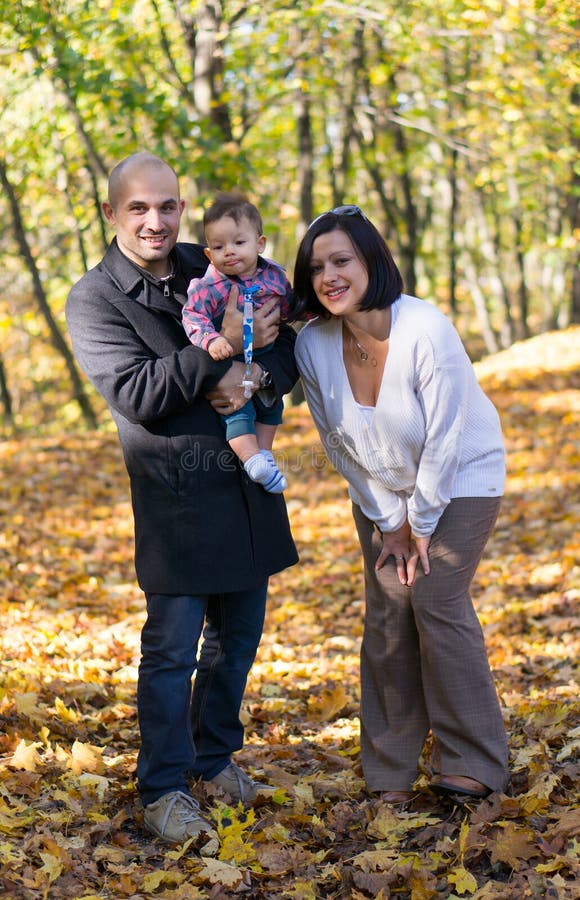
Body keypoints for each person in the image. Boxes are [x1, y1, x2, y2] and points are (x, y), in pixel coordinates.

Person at [65, 152, 298, 846]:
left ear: (183, 209)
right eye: (137, 208)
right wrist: (217, 358)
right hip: (177, 502)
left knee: (238, 642)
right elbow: (136, 393)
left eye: (166, 206)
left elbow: (284, 344)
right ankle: (163, 787)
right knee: (171, 652)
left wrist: (254, 378)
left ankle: (213, 757)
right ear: (111, 214)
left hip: (246, 488)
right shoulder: (94, 298)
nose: (154, 221)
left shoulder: (218, 260)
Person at [290, 205, 509, 805]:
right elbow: (336, 444)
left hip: (462, 478)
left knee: (435, 598)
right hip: (381, 492)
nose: (329, 276)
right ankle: (389, 768)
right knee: (388, 617)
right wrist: (390, 521)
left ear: (371, 263)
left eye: (342, 261)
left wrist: (420, 525)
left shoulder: (425, 329)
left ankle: (474, 760)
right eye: (317, 268)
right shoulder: (313, 343)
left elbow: (445, 438)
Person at [182, 192, 291, 494]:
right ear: (208, 254)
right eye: (219, 247)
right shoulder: (208, 287)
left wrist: (301, 312)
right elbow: (193, 317)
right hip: (229, 363)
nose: (229, 252)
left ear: (259, 244)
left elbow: (288, 309)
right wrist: (213, 338)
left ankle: (265, 453)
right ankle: (251, 458)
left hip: (266, 357)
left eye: (239, 243)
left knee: (271, 407)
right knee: (237, 411)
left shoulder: (275, 277)